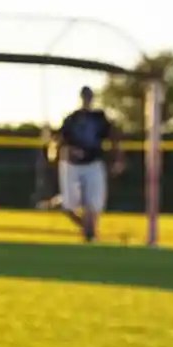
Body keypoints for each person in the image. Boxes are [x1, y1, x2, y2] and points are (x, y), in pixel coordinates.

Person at [48, 86, 124, 242]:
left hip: (93, 163)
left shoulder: (99, 117)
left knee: (93, 203)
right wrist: (54, 153)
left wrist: (118, 158)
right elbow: (59, 138)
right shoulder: (72, 118)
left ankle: (90, 235)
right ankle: (87, 228)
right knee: (69, 206)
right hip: (71, 164)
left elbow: (113, 137)